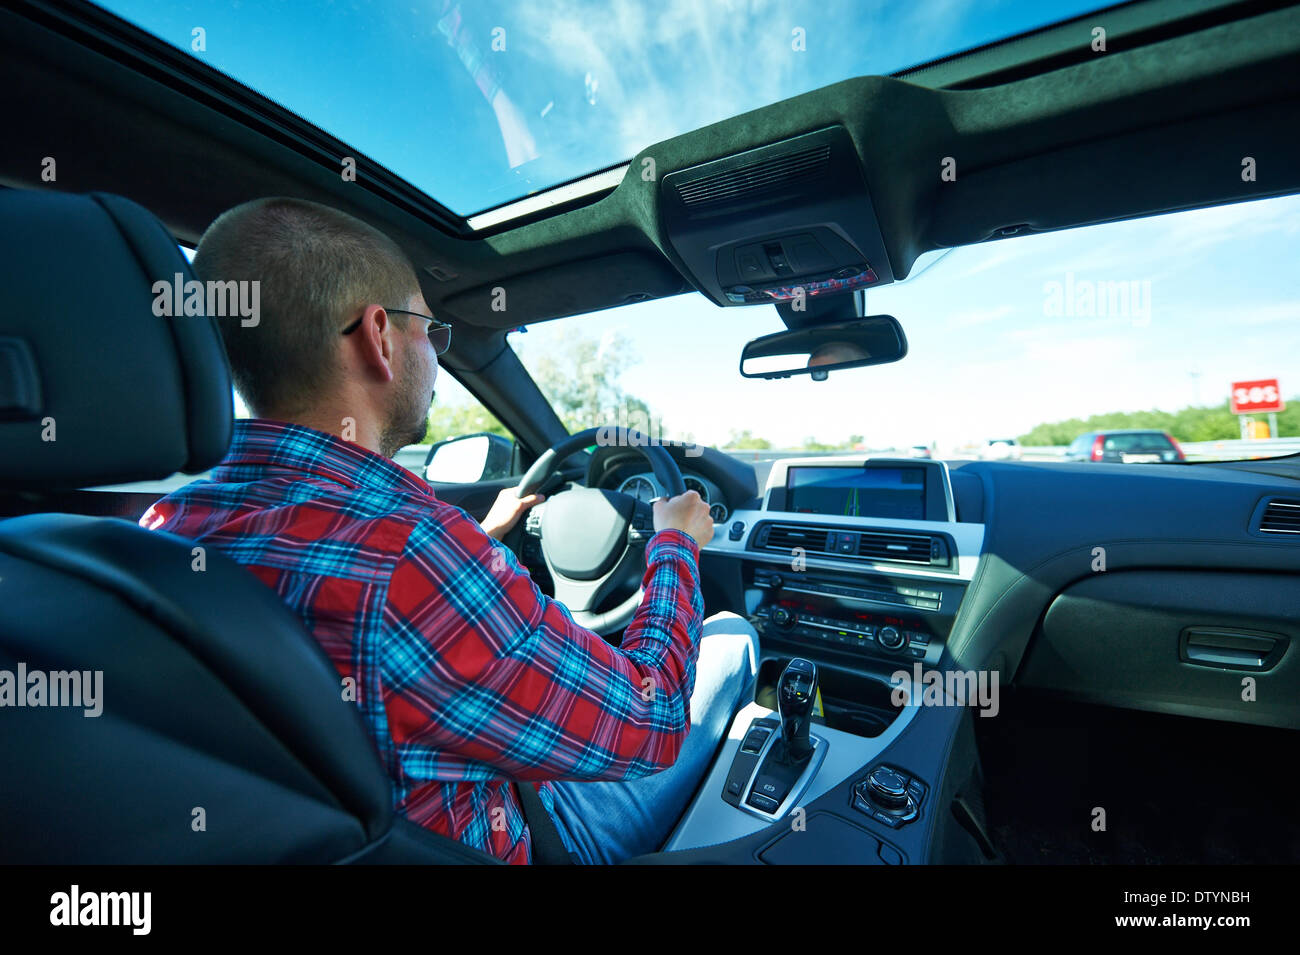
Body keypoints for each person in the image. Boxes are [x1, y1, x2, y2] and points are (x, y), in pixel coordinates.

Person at [139, 197, 759, 864]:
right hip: (535, 832)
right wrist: (674, 546)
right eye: (428, 330)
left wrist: (480, 537)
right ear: (379, 337)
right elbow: (653, 718)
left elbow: (363, 605)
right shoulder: (413, 558)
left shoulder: (164, 529)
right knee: (732, 641)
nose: (434, 356)